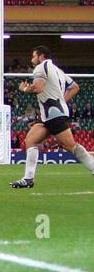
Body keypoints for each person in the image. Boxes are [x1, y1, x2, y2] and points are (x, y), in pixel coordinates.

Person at [11, 46, 94, 188]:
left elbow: (38, 88)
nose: (32, 60)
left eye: (33, 56)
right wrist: (61, 101)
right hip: (49, 115)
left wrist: (24, 88)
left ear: (41, 56)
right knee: (30, 140)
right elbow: (75, 87)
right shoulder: (58, 70)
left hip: (53, 115)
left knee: (70, 146)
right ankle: (28, 178)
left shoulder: (40, 68)